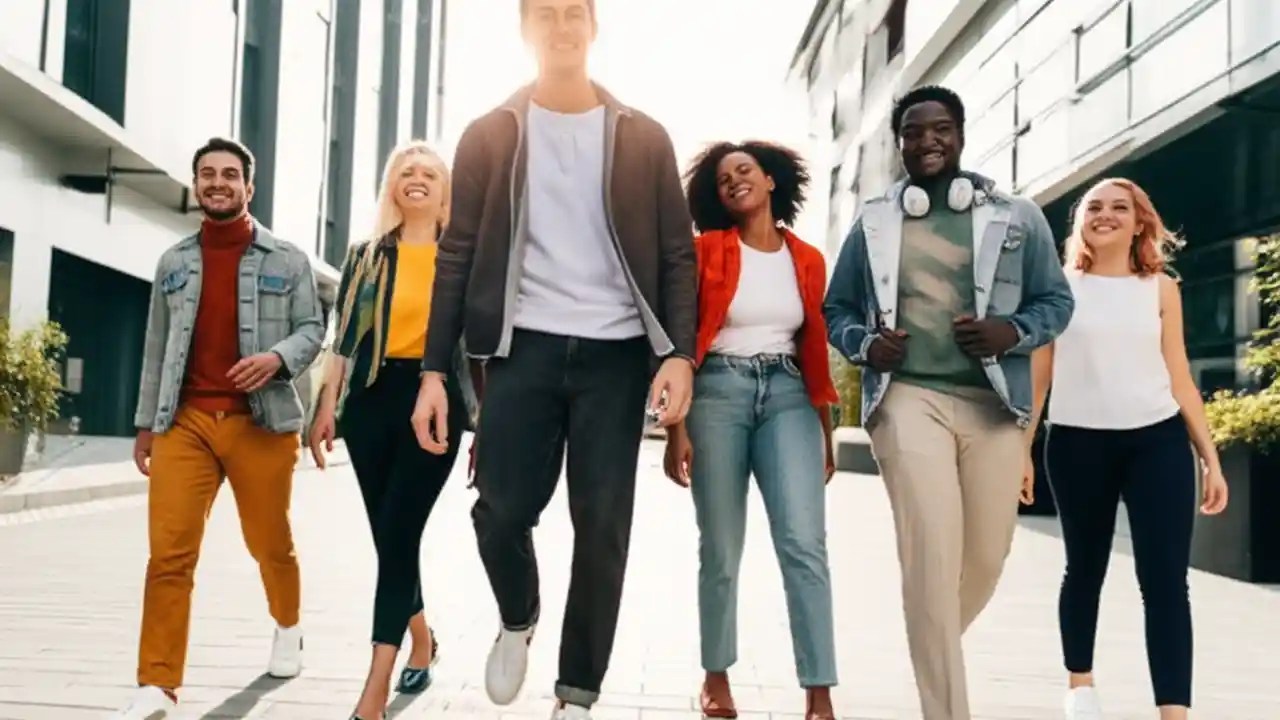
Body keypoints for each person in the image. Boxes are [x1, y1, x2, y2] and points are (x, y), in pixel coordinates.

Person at [409, 0, 697, 717]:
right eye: (547, 14)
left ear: (593, 28)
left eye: (575, 13)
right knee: (499, 512)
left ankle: (576, 693)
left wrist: (679, 354)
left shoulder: (643, 137)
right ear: (525, 30)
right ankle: (518, 615)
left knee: (603, 525)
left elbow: (675, 255)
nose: (562, 26)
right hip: (522, 348)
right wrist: (434, 373)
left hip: (616, 354)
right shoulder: (489, 134)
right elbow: (457, 255)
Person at [822, 85, 1075, 720]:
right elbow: (838, 308)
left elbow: (1057, 302)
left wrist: (1011, 333)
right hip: (909, 400)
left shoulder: (1016, 217)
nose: (926, 140)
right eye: (912, 132)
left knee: (987, 557)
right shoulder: (875, 220)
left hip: (994, 406)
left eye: (939, 129)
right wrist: (865, 345)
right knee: (932, 554)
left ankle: (924, 635)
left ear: (960, 135)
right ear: (899, 144)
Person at [114, 137, 324, 719]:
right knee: (169, 556)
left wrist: (277, 358)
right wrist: (145, 425)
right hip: (185, 424)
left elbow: (312, 329)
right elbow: (156, 347)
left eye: (229, 174)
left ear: (248, 188)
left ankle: (288, 626)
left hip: (262, 423)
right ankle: (156, 683)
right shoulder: (173, 263)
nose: (217, 182)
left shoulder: (288, 259)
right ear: (196, 186)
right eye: (207, 174)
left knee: (269, 544)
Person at [1026, 178, 1229, 720]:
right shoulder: (1058, 288)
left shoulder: (1161, 288)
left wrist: (1209, 457)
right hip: (1076, 444)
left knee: (1165, 582)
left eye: (1120, 207)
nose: (1106, 215)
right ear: (1080, 223)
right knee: (1084, 569)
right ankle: (1080, 687)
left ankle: (1174, 714)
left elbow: (1180, 376)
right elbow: (1040, 379)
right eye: (1094, 207)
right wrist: (1022, 450)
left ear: (1141, 222)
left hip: (1156, 442)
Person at [662, 141, 839, 720]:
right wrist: (676, 430)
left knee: (804, 544)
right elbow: (682, 339)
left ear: (770, 181)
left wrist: (826, 431)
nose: (734, 180)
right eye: (722, 178)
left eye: (744, 171)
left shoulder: (807, 258)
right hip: (717, 393)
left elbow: (814, 347)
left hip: (788, 395)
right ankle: (716, 676)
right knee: (721, 547)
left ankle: (818, 689)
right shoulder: (706, 251)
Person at [308, 140, 481, 720]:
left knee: (401, 531)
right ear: (392, 185)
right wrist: (326, 405)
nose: (417, 178)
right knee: (391, 536)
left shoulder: (463, 255)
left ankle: (375, 687)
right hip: (371, 403)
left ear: (444, 190)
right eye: (407, 170)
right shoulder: (366, 255)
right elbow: (343, 340)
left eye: (430, 172)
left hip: (437, 403)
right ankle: (424, 639)